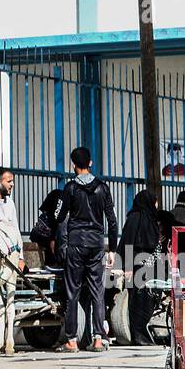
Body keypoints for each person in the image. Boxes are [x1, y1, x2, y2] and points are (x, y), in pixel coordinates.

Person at [53, 147, 118, 353]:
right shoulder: (103, 187)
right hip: (97, 244)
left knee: (73, 291)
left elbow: (59, 215)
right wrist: (112, 249)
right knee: (97, 291)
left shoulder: (70, 188)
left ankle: (72, 340)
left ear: (74, 165)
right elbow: (113, 221)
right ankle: (99, 339)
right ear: (90, 163)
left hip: (76, 244)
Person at [118, 190, 162, 346]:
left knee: (148, 300)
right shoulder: (135, 218)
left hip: (149, 266)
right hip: (136, 266)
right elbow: (128, 241)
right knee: (137, 301)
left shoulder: (150, 218)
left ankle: (144, 334)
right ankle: (138, 336)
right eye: (155, 201)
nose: (156, 204)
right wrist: (128, 266)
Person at [30, 189, 67, 269]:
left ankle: (53, 264)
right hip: (43, 234)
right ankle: (54, 264)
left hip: (39, 233)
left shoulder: (58, 196)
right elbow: (55, 224)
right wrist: (53, 239)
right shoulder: (59, 199)